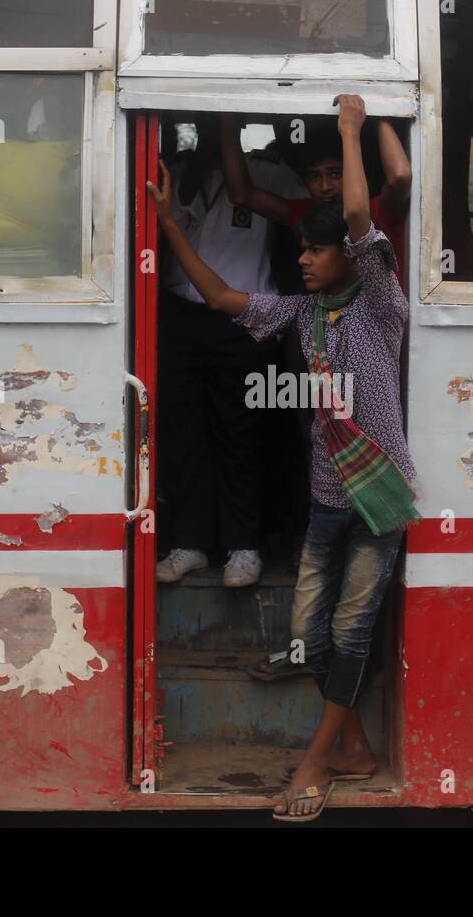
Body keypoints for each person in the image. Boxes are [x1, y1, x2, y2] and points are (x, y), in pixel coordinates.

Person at [148, 94, 419, 823]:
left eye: (313, 250)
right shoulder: (301, 313)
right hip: (329, 501)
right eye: (301, 248)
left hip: (378, 499)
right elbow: (218, 295)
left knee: (348, 631)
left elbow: (363, 219)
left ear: (348, 259)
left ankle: (314, 762)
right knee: (309, 635)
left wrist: (353, 131)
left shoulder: (381, 305)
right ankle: (354, 745)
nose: (299, 258)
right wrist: (171, 223)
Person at [155, 114, 308, 588]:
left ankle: (245, 545)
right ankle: (192, 541)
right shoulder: (177, 176)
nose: (206, 135)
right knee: (184, 435)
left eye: (219, 125)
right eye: (201, 126)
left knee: (241, 436)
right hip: (181, 316)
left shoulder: (270, 174)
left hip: (246, 321)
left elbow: (301, 229)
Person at [221, 111, 412, 290]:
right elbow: (242, 194)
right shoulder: (310, 215)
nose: (325, 186)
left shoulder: (377, 210)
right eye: (315, 177)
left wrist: (381, 112)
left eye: (335, 174)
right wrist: (227, 118)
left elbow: (400, 177)